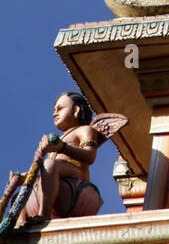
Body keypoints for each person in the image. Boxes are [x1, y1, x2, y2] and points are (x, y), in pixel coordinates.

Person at [22, 93, 106, 224]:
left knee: (50, 164)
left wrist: (62, 147)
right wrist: (26, 177)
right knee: (21, 191)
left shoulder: (85, 130)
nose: (54, 114)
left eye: (60, 108)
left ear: (76, 110)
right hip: (57, 175)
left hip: (76, 174)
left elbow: (90, 155)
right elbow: (47, 173)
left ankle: (43, 214)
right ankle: (19, 225)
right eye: (54, 110)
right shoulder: (60, 138)